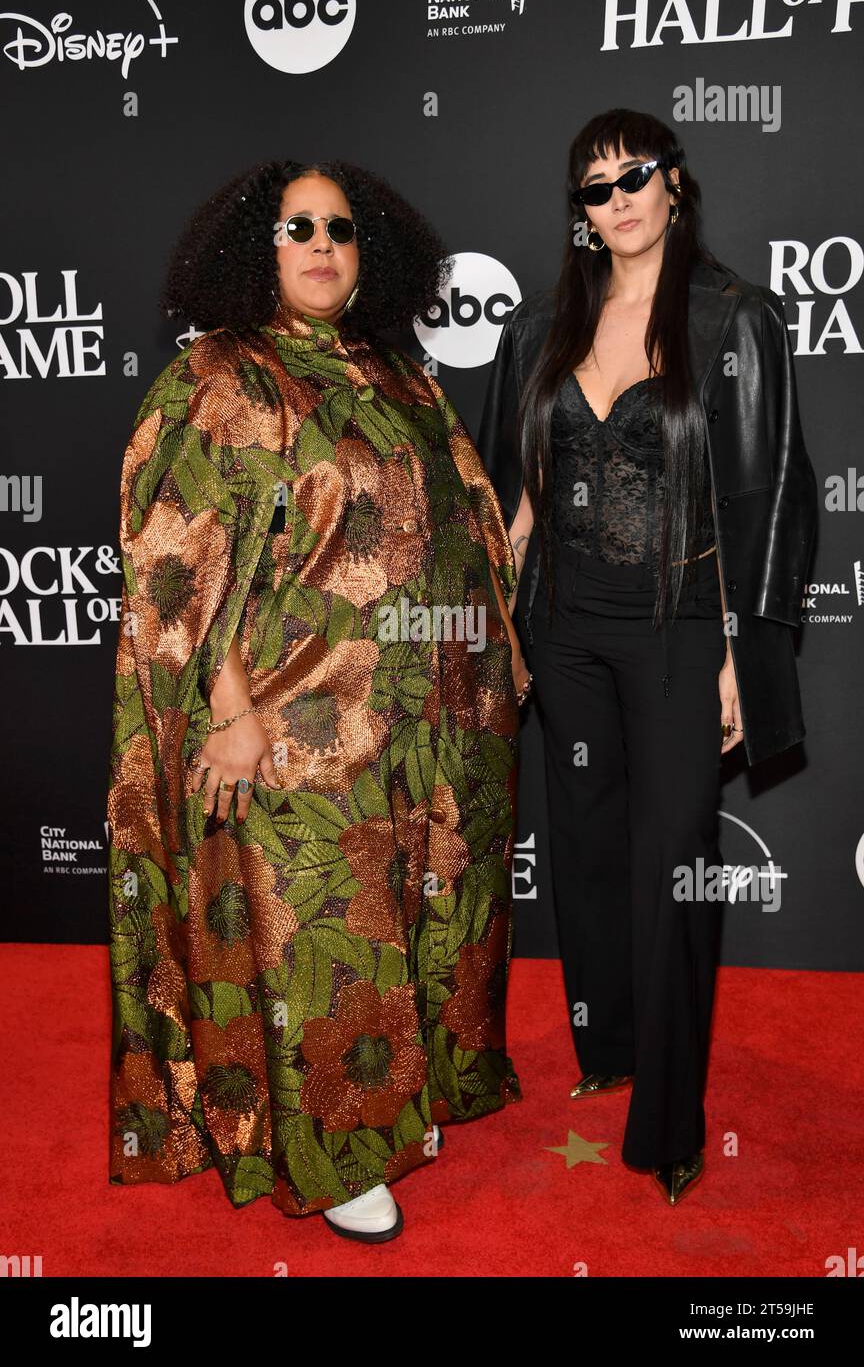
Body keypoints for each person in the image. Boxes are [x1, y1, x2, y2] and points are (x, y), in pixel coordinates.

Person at [106, 158, 530, 1242]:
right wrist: (229, 713)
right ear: (259, 246)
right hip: (297, 720)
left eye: (340, 227)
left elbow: (460, 527)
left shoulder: (396, 372)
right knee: (323, 936)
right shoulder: (224, 375)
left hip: (419, 712)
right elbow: (176, 566)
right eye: (298, 226)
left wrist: (494, 647)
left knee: (413, 913)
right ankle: (336, 1154)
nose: (322, 244)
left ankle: (407, 1098)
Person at [477, 108, 817, 1206]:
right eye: (595, 187)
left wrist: (739, 652)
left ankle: (669, 1120)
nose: (617, 197)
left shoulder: (736, 317)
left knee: (673, 867)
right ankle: (609, 1049)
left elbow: (768, 503)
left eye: (636, 175)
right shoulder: (537, 332)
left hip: (678, 632)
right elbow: (516, 494)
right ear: (579, 213)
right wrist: (505, 626)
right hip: (566, 631)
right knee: (583, 848)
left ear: (676, 183)